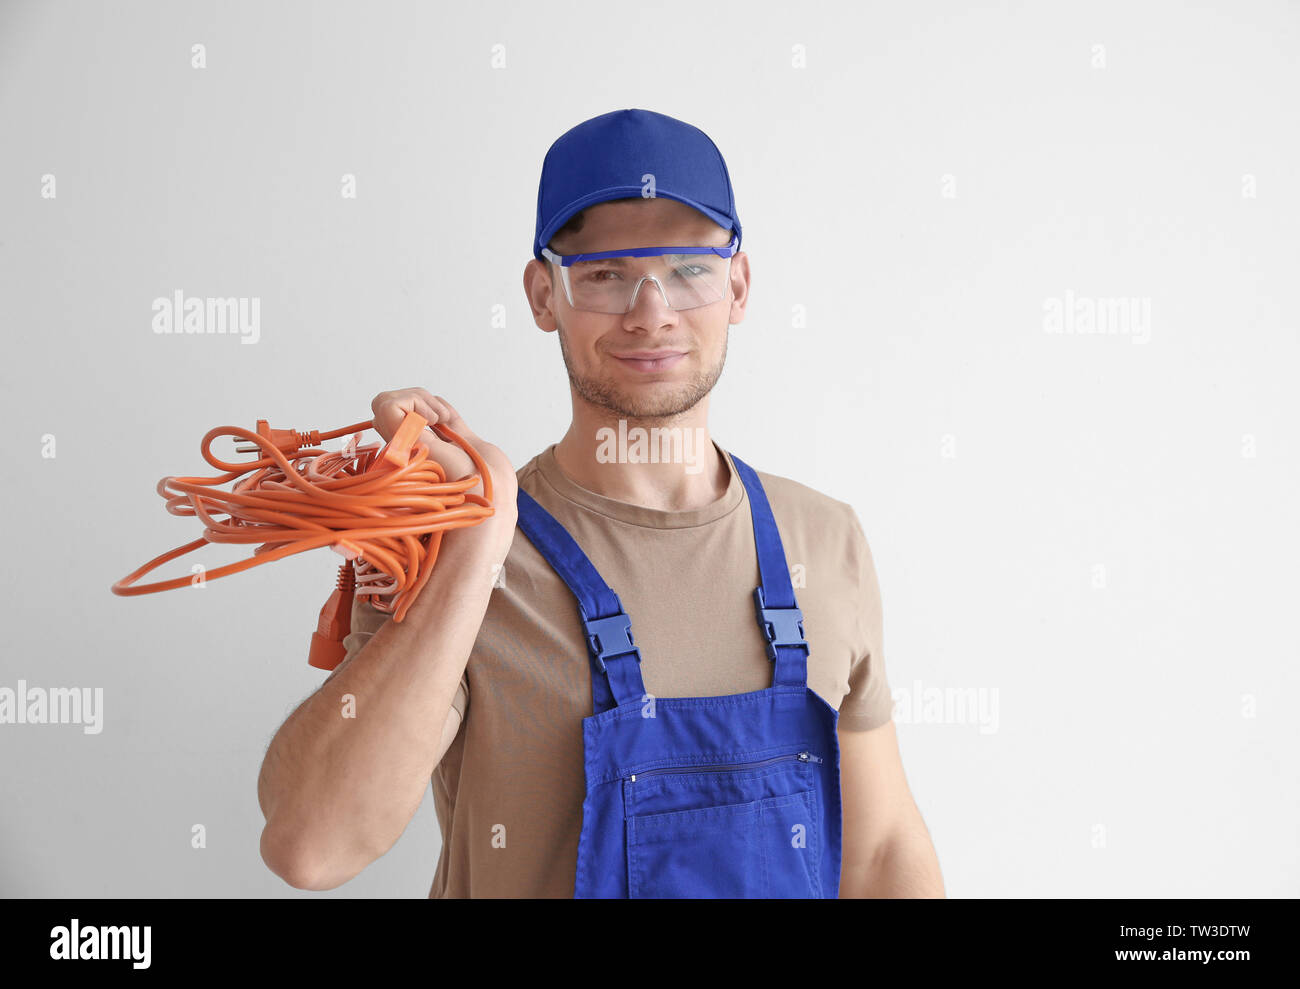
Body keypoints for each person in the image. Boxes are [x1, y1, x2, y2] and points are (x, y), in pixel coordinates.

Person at [257, 108, 944, 898]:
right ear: (544, 294)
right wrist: (481, 539)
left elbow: (883, 849)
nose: (652, 312)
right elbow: (312, 846)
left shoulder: (823, 539)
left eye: (689, 267)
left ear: (740, 285)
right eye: (607, 273)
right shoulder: (450, 553)